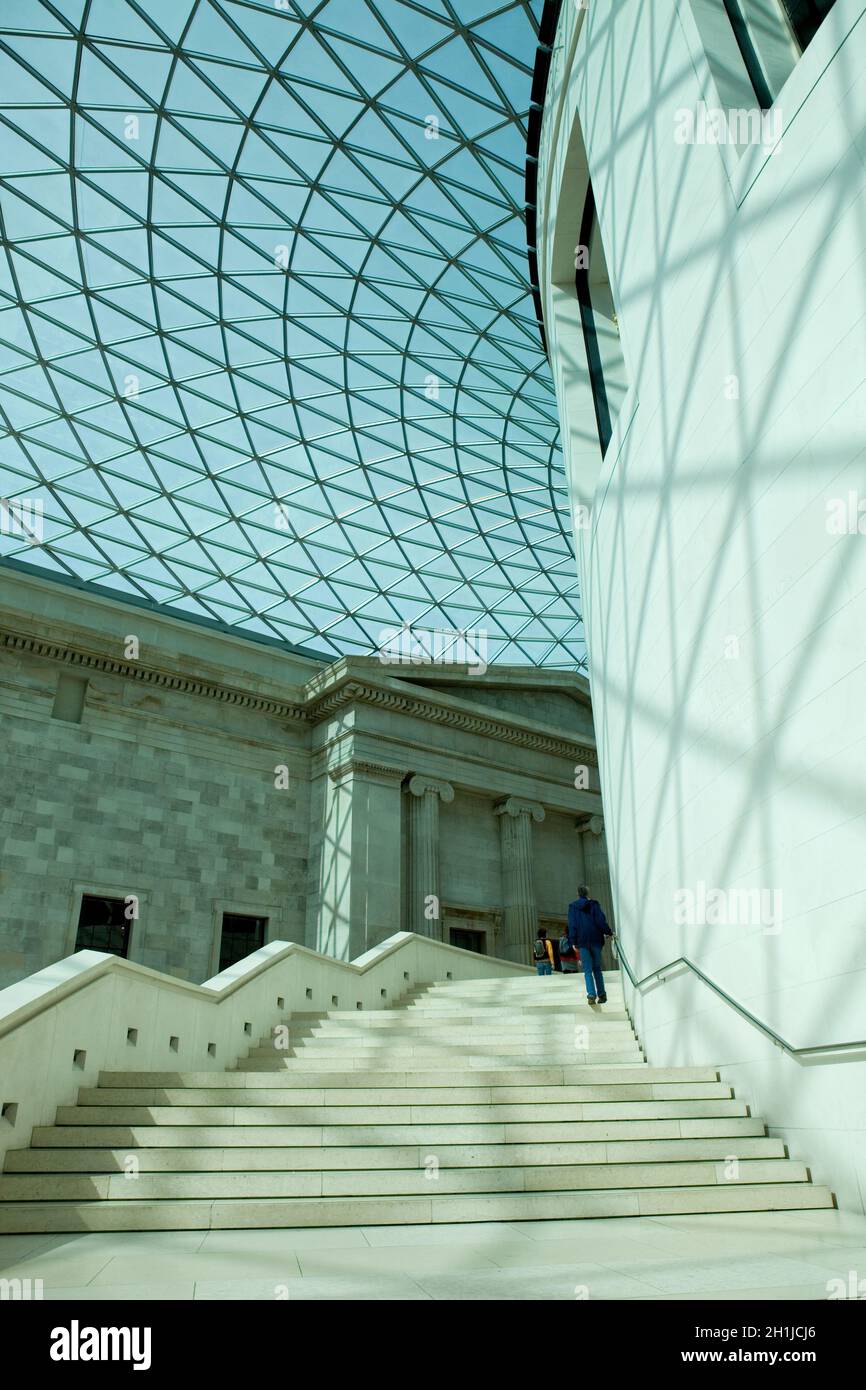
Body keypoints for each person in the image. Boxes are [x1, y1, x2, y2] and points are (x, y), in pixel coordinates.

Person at [567, 884, 613, 1004]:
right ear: (587, 893)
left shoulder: (573, 907)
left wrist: (573, 941)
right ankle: (602, 995)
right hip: (596, 939)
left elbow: (572, 925)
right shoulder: (594, 904)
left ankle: (591, 994)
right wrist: (608, 932)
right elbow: (600, 920)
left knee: (587, 970)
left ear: (578, 894)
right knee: (597, 968)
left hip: (582, 941)